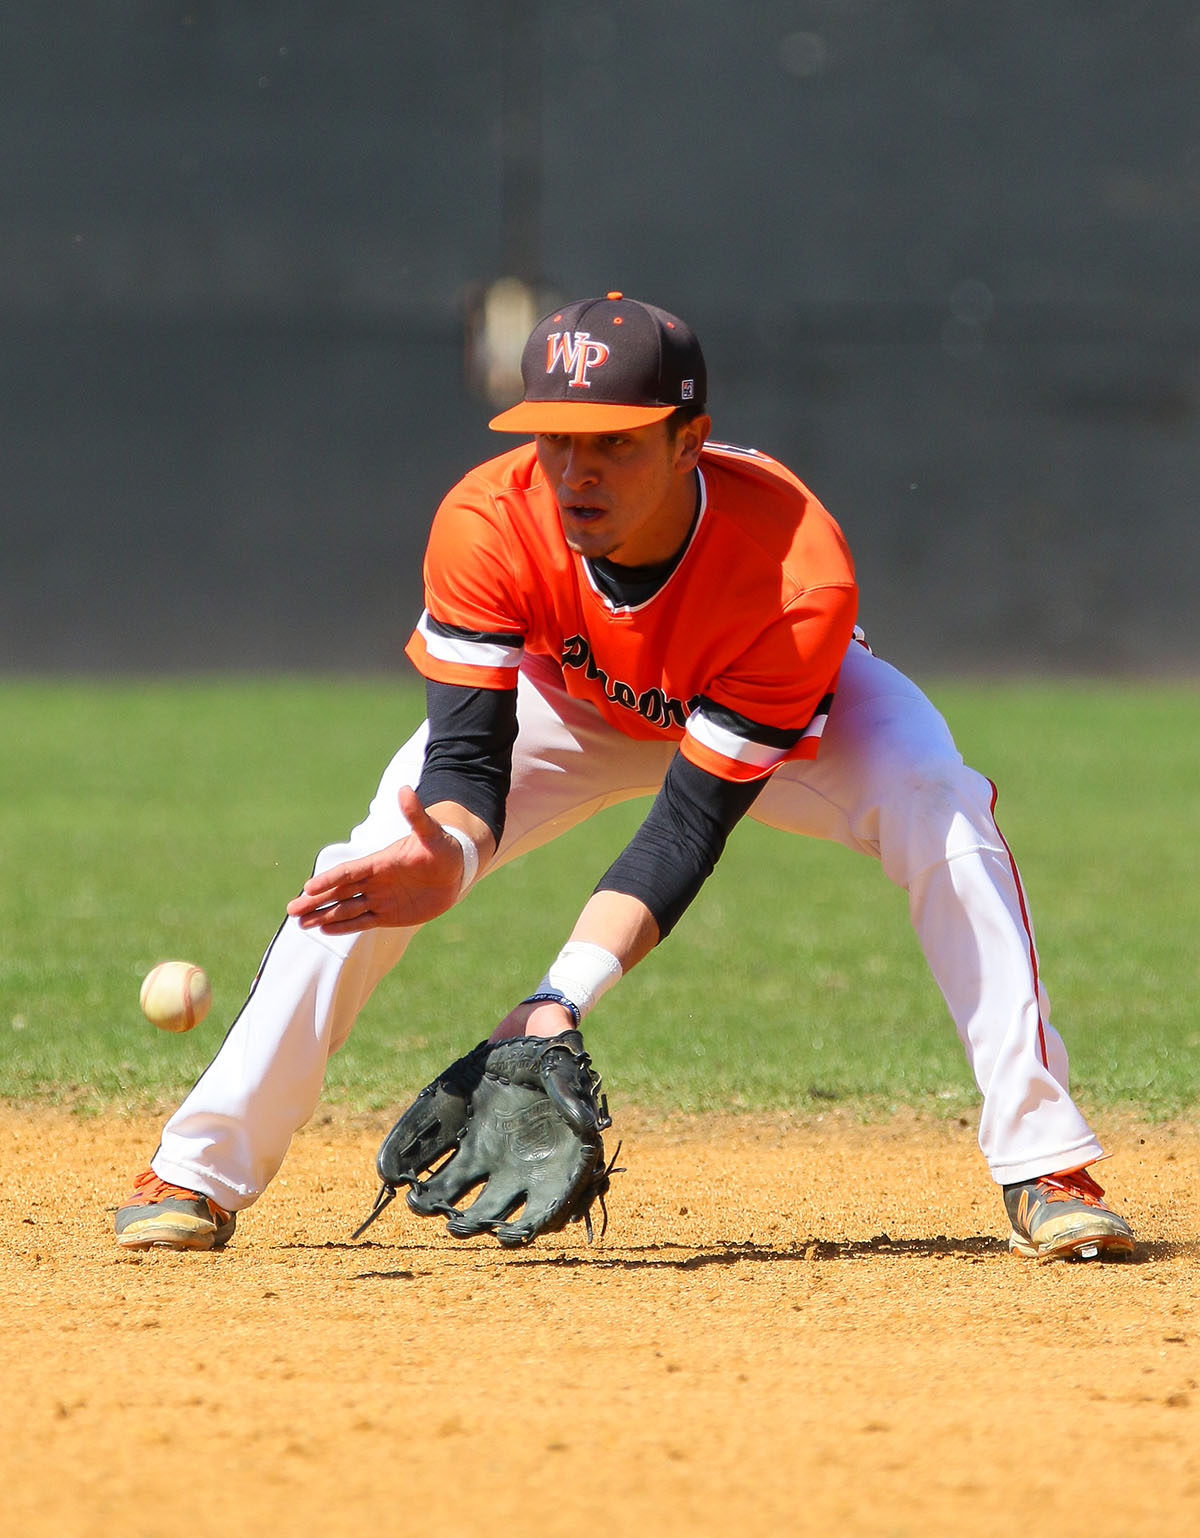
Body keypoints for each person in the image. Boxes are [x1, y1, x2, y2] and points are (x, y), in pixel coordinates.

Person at [115, 292, 1136, 1263]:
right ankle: (196, 1174)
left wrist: (560, 997)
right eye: (556, 437)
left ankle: (1047, 1165)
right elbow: (470, 758)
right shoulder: (487, 520)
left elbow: (690, 824)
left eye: (614, 440)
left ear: (688, 442)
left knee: (938, 801)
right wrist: (453, 854)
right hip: (568, 705)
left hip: (759, 708)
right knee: (368, 865)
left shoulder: (792, 573)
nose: (576, 469)